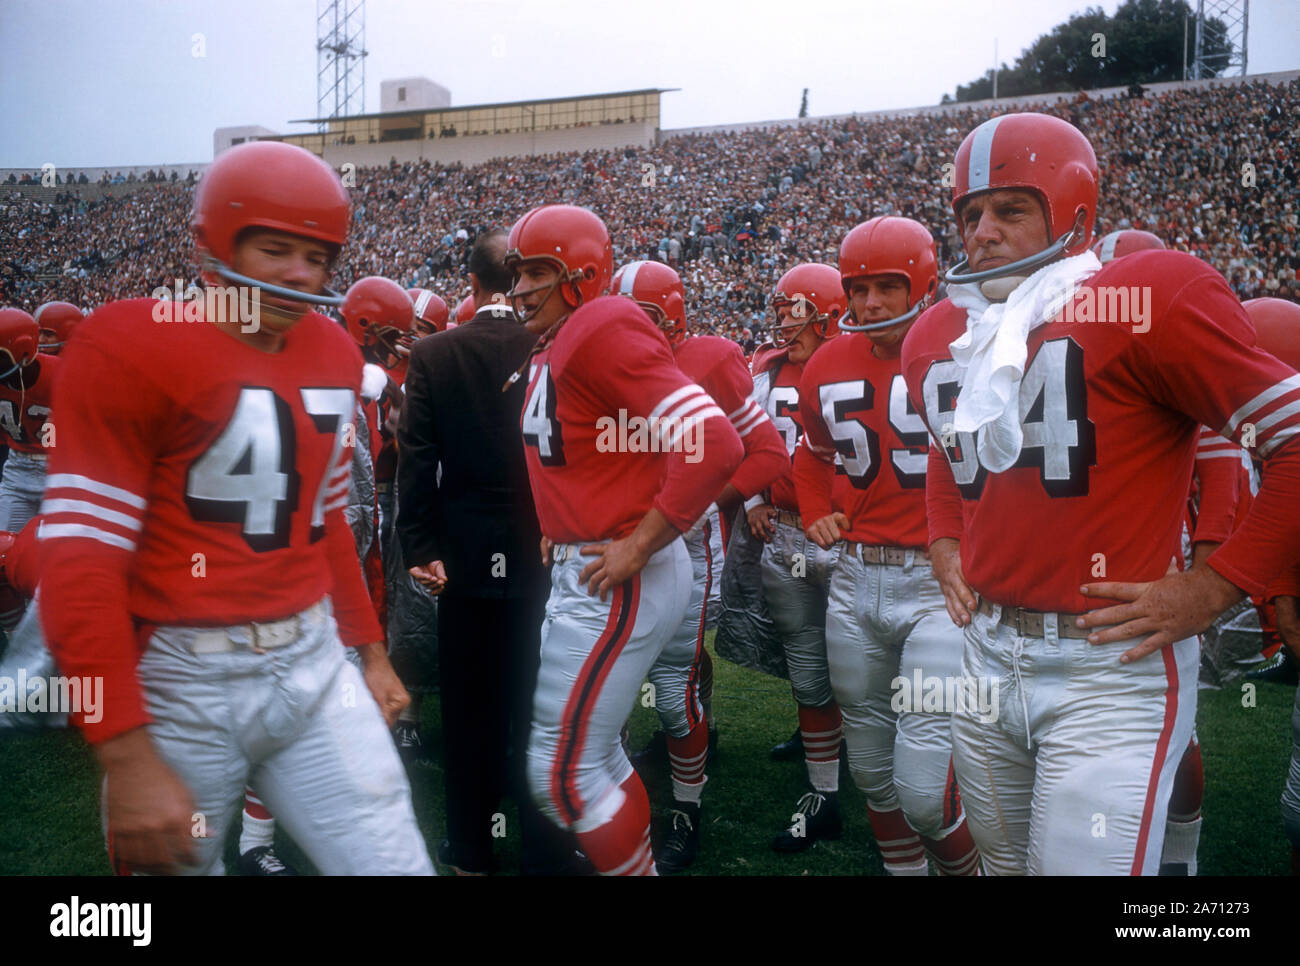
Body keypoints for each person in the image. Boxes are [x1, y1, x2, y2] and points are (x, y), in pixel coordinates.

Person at [900, 111, 1300, 875]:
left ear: (1074, 214)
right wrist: (945, 536)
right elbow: (949, 453)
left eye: (1011, 209)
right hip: (986, 651)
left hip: (1107, 666)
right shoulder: (947, 335)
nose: (983, 231)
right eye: (970, 213)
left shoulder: (1148, 295)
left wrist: (1216, 586)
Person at [38, 140, 433, 875]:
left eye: (316, 257)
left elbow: (324, 529)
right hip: (185, 679)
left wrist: (371, 653)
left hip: (313, 662)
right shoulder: (131, 344)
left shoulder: (335, 355)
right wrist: (123, 749)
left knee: (393, 861)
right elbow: (80, 559)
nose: (299, 274)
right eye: (275, 249)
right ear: (211, 245)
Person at [509, 204, 743, 876]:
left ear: (582, 274)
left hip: (616, 574)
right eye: (517, 272)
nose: (520, 287)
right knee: (598, 757)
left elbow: (715, 441)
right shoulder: (563, 336)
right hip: (597, 566)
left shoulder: (600, 323)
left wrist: (637, 544)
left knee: (560, 777)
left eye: (537, 272)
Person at [793, 216, 979, 875]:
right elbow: (813, 456)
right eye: (858, 287)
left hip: (939, 585)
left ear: (923, 284)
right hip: (854, 577)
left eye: (888, 287)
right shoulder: (825, 362)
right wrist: (815, 510)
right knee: (871, 769)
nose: (870, 303)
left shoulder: (967, 342)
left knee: (925, 788)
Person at [396, 230, 570, 876]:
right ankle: (544, 847)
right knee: (538, 704)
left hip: (463, 555)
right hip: (545, 549)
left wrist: (422, 545)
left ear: (470, 284)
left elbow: (417, 462)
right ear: (522, 278)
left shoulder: (436, 352)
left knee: (469, 709)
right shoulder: (550, 343)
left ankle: (470, 844)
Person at [610, 259, 786, 872]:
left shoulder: (709, 358)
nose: (635, 327)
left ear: (675, 316)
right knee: (610, 690)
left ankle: (686, 808)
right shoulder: (602, 356)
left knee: (671, 692)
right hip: (614, 543)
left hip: (681, 548)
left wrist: (701, 499)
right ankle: (617, 799)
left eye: (648, 316)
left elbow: (767, 453)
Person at [746, 263, 848, 852]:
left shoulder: (861, 365)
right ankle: (823, 787)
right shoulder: (768, 371)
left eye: (797, 309)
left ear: (830, 312)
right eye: (780, 310)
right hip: (786, 534)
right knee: (807, 665)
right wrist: (757, 496)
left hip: (852, 538)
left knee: (866, 668)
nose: (785, 322)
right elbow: (747, 437)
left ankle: (884, 776)